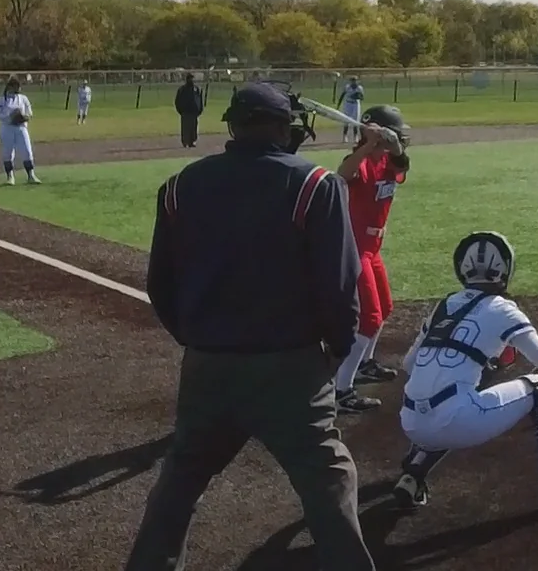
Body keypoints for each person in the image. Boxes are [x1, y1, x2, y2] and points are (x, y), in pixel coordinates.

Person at [125, 82, 374, 571]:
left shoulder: (180, 185)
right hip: (290, 366)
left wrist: (196, 339)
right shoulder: (316, 184)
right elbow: (341, 287)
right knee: (328, 481)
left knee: (180, 481)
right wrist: (335, 351)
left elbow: (161, 283)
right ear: (283, 128)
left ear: (233, 127)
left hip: (207, 364)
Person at [389, 231, 538, 515]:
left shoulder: (443, 306)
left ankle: (413, 474)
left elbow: (409, 364)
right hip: (457, 423)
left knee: (448, 396)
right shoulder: (502, 308)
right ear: (505, 269)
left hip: (411, 423)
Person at [330, 105, 412, 413]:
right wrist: (368, 144)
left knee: (385, 308)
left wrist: (391, 145)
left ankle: (364, 363)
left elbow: (403, 165)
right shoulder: (362, 163)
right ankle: (341, 390)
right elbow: (342, 174)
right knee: (369, 319)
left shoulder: (388, 163)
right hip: (355, 248)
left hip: (373, 250)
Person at [0, 77, 39, 185]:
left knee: (27, 150)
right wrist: (10, 116)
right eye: (16, 86)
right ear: (10, 86)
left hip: (21, 128)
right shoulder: (2, 99)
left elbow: (30, 113)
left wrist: (24, 117)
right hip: (7, 128)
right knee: (7, 153)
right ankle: (10, 177)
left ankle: (31, 175)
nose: (19, 88)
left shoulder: (23, 98)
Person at [173, 74, 204, 149]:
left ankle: (192, 141)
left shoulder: (197, 89)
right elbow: (177, 101)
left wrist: (200, 109)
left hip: (194, 112)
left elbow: (200, 100)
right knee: (185, 128)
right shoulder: (182, 89)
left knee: (194, 127)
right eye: (190, 79)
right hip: (185, 112)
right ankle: (185, 142)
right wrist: (180, 110)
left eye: (192, 79)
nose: (192, 81)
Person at [338, 78, 365, 143]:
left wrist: (357, 96)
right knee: (346, 120)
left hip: (355, 104)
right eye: (352, 81)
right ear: (350, 81)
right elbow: (342, 95)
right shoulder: (347, 87)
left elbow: (362, 98)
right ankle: (345, 136)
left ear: (357, 81)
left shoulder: (359, 88)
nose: (354, 82)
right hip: (348, 104)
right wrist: (338, 104)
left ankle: (355, 136)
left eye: (355, 80)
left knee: (355, 120)